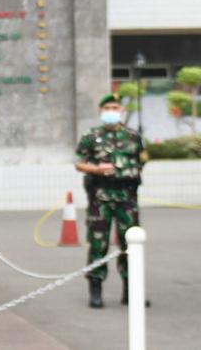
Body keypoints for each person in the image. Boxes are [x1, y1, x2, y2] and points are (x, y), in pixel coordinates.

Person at [75, 92, 150, 309]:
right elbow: (79, 162)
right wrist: (96, 169)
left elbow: (142, 160)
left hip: (127, 198)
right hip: (101, 198)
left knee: (131, 242)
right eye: (107, 109)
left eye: (115, 108)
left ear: (121, 111)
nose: (111, 112)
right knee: (99, 242)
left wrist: (129, 171)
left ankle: (131, 290)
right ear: (101, 112)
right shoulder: (91, 136)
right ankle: (96, 289)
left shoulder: (133, 137)